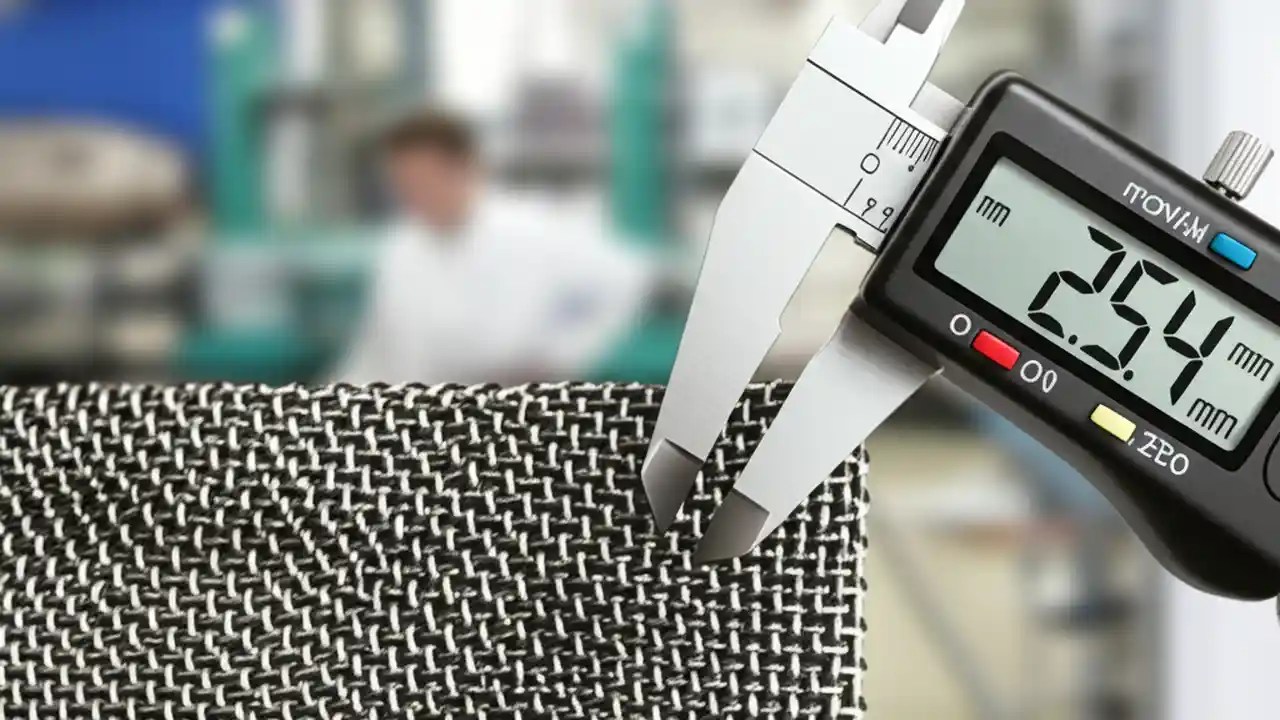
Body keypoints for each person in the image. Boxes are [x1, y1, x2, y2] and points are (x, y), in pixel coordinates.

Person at [336, 111, 652, 385]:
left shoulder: (531, 231)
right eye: (403, 182)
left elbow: (630, 278)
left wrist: (562, 357)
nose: (415, 193)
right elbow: (376, 350)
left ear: (464, 169)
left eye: (425, 178)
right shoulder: (401, 252)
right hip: (425, 419)